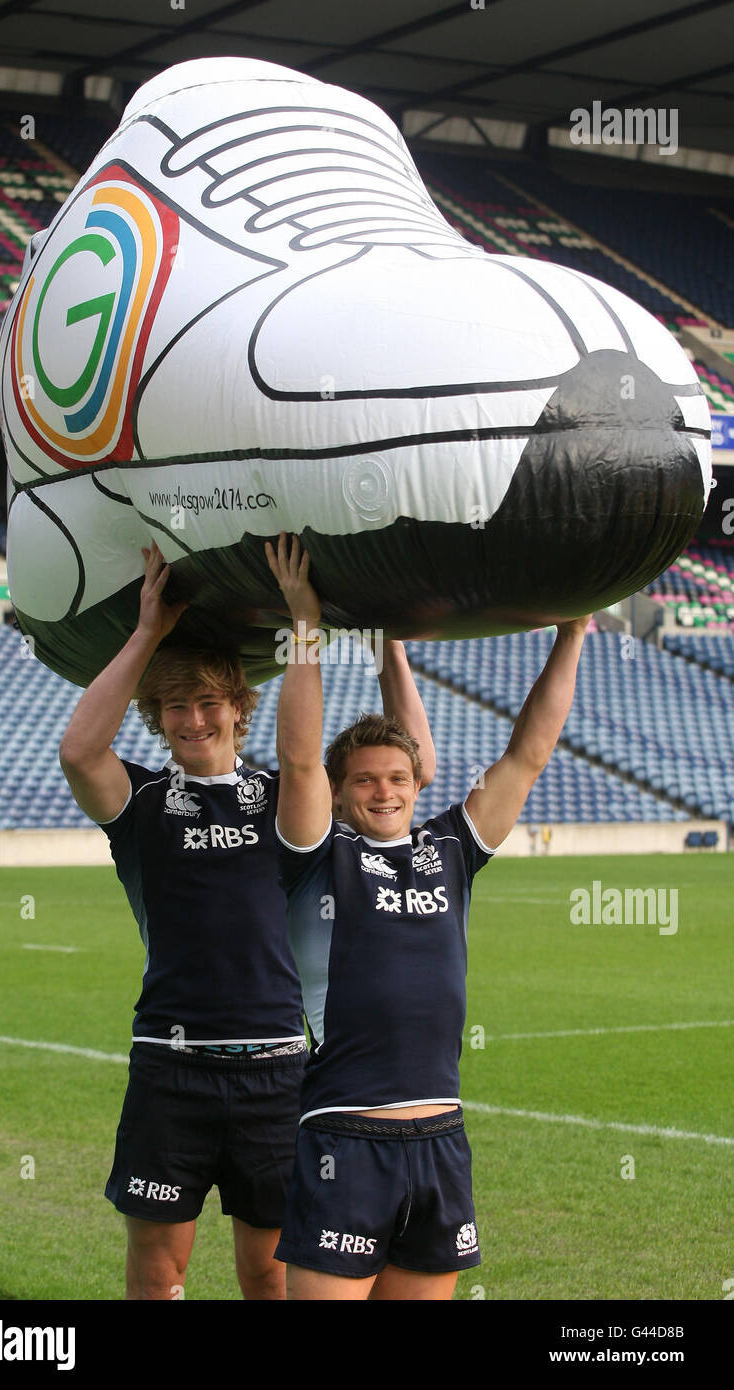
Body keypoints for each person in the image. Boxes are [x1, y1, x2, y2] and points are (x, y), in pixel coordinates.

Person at [59, 540, 436, 1300]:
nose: (194, 719)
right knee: (158, 1274)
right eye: (176, 705)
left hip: (277, 1069)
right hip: (171, 1064)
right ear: (157, 717)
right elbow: (78, 751)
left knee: (268, 1275)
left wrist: (365, 641)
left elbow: (400, 767)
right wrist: (148, 633)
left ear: (239, 707)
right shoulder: (142, 804)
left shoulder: (282, 798)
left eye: (209, 703)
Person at [265, 532, 591, 1301]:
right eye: (365, 780)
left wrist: (574, 632)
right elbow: (302, 758)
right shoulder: (317, 855)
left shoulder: (450, 848)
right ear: (339, 793)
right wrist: (305, 622)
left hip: (442, 1137)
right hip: (346, 1134)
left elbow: (528, 755)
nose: (384, 791)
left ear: (418, 785)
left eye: (397, 778)